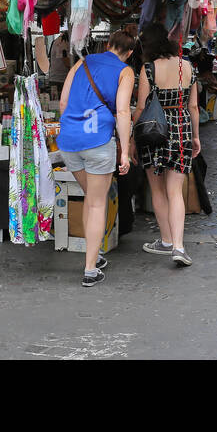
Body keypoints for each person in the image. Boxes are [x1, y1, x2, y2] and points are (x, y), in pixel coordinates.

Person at [56, 28, 136, 287]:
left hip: (69, 142)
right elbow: (123, 112)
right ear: (130, 53)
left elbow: (63, 103)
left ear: (108, 43)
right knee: (97, 203)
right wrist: (125, 151)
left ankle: (94, 255)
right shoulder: (125, 71)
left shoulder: (82, 62)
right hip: (99, 142)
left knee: (91, 197)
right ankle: (90, 268)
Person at [134, 22, 201, 268]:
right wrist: (195, 137)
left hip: (155, 130)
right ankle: (179, 246)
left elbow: (141, 108)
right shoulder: (188, 66)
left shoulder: (148, 69)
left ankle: (165, 240)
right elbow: (193, 106)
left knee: (158, 189)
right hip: (182, 128)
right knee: (175, 191)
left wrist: (132, 138)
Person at [47, 33, 71, 100]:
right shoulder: (62, 42)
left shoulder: (65, 40)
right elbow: (66, 61)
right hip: (58, 80)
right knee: (58, 104)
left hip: (61, 79)